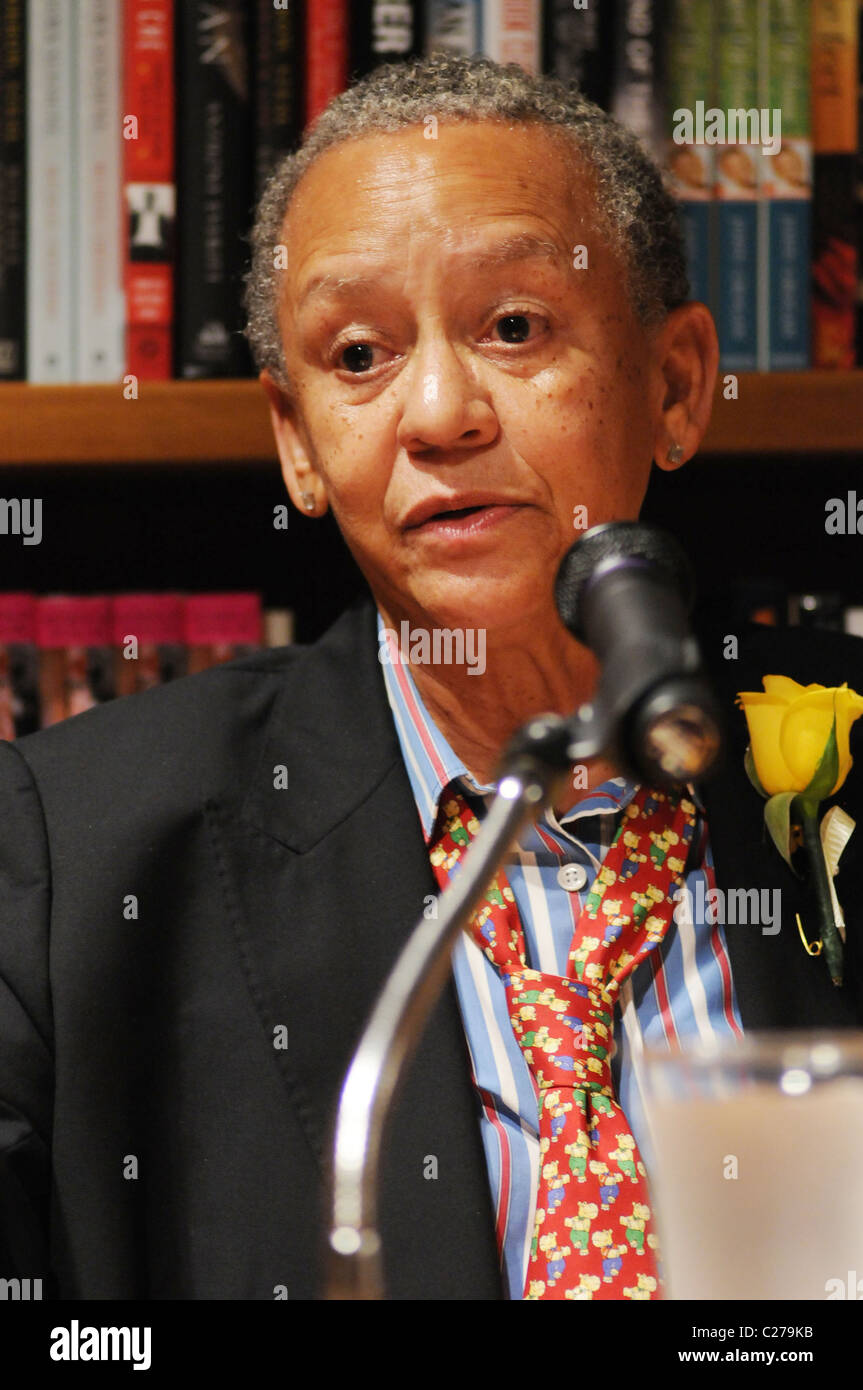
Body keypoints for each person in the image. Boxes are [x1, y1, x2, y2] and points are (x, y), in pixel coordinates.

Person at [1, 54, 862, 1302]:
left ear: (673, 386)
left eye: (514, 327)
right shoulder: (72, 855)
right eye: (355, 355)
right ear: (296, 441)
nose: (438, 412)